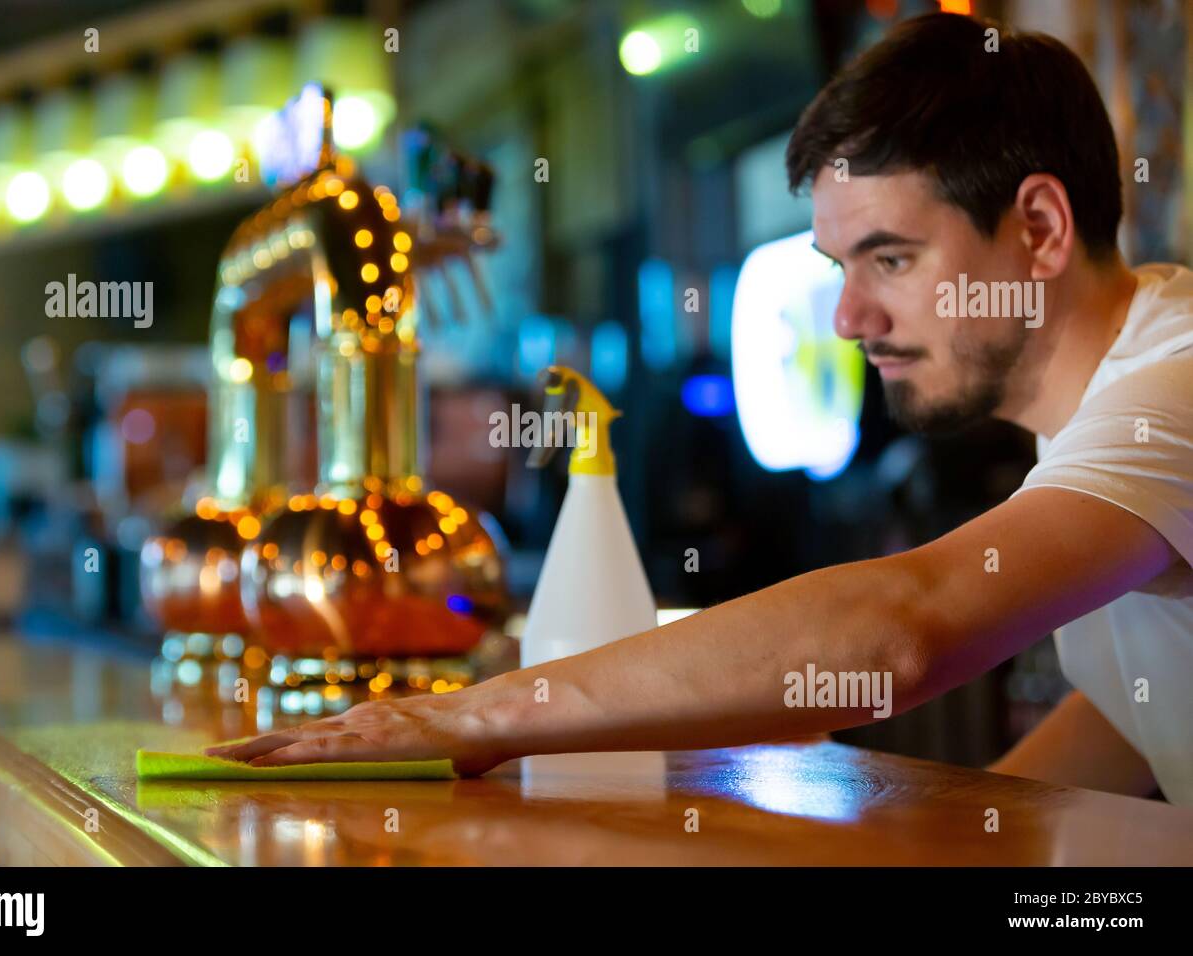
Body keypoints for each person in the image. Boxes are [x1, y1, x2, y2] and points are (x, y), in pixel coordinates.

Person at [208, 12, 1193, 807]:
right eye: (839, 268)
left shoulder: (1174, 385)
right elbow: (1129, 716)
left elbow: (904, 625)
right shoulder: (1101, 415)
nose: (850, 317)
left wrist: (468, 715)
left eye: (891, 258)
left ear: (1039, 228)